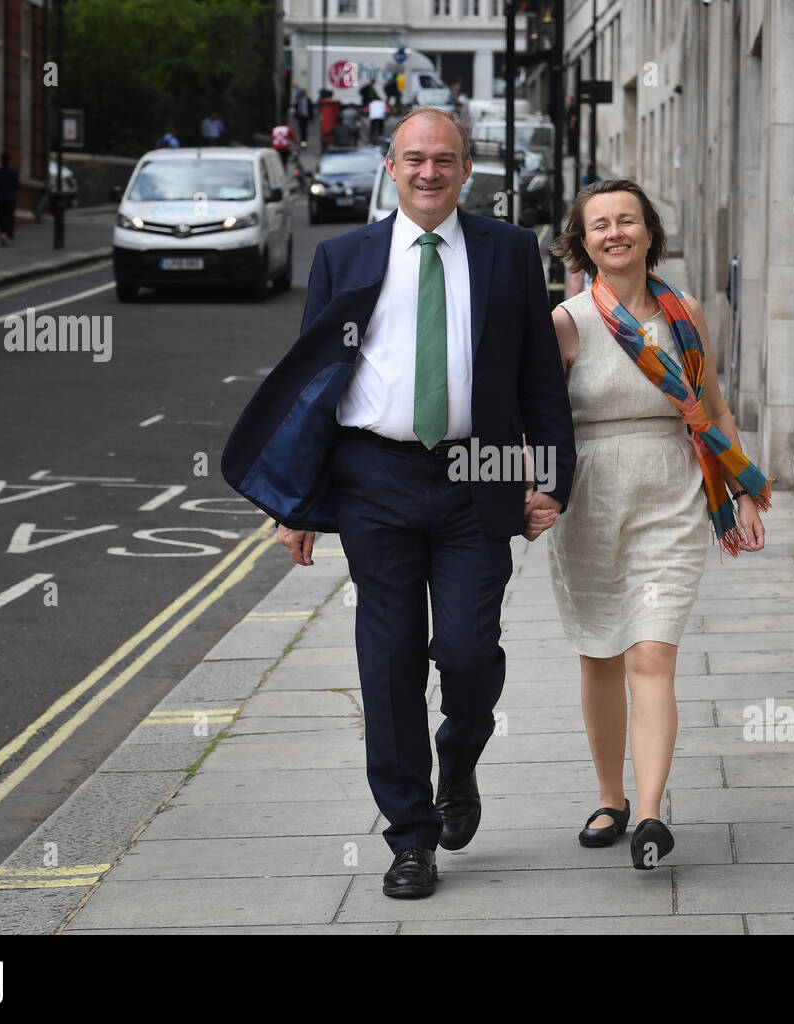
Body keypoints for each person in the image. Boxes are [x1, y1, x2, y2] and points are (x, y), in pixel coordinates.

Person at [221, 108, 575, 899]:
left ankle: (459, 756)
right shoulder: (343, 256)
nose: (428, 172)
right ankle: (410, 838)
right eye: (414, 159)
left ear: (466, 169)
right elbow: (314, 388)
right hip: (371, 477)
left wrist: (549, 478)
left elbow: (539, 380)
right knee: (387, 665)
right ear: (390, 165)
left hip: (475, 471)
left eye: (443, 160)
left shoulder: (511, 252)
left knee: (468, 653)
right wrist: (297, 504)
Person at [538, 178, 770, 870]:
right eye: (600, 224)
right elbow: (541, 426)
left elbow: (713, 410)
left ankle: (648, 813)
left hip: (672, 496)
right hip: (591, 503)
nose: (615, 233)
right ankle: (609, 797)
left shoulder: (684, 311)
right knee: (602, 653)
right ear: (581, 242)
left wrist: (745, 490)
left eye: (627, 221)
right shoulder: (566, 323)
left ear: (649, 232)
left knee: (652, 651)